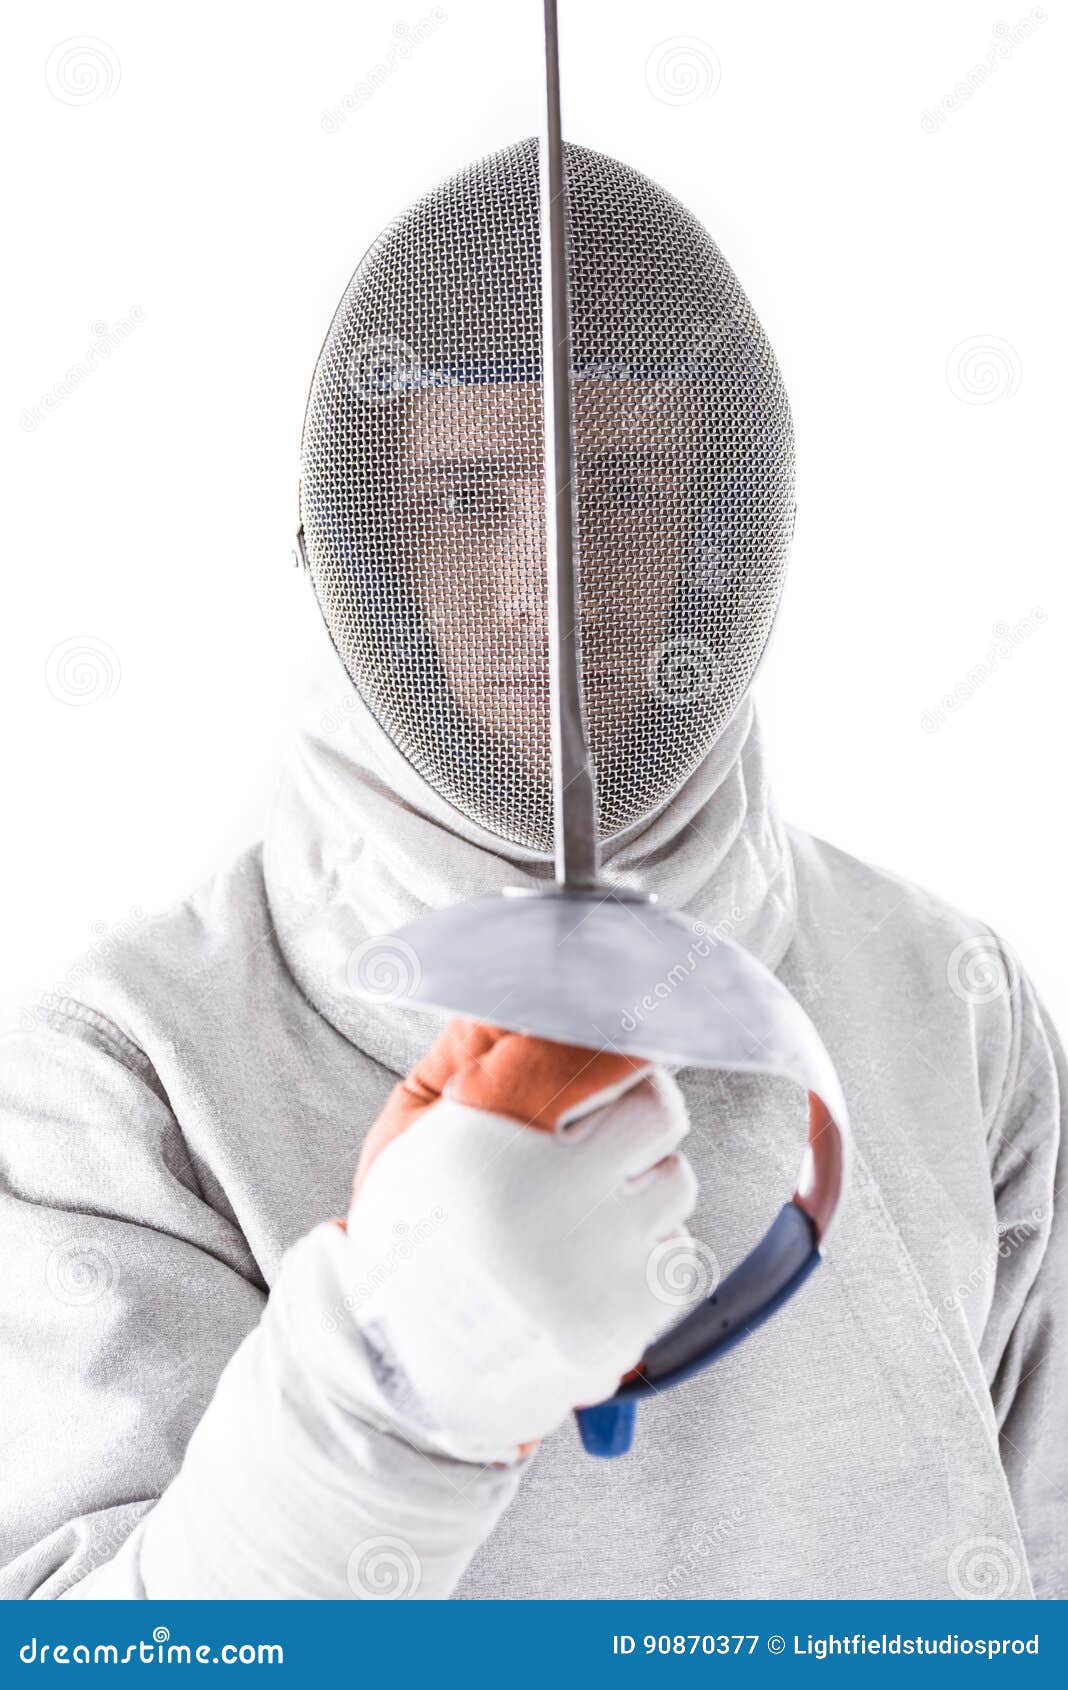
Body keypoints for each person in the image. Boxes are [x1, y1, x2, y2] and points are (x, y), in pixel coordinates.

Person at [1, 140, 1064, 1603]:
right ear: (357, 543)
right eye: (462, 499)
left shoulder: (954, 1006)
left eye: (621, 489)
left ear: (723, 535)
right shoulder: (126, 1068)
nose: (546, 583)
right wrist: (396, 1376)